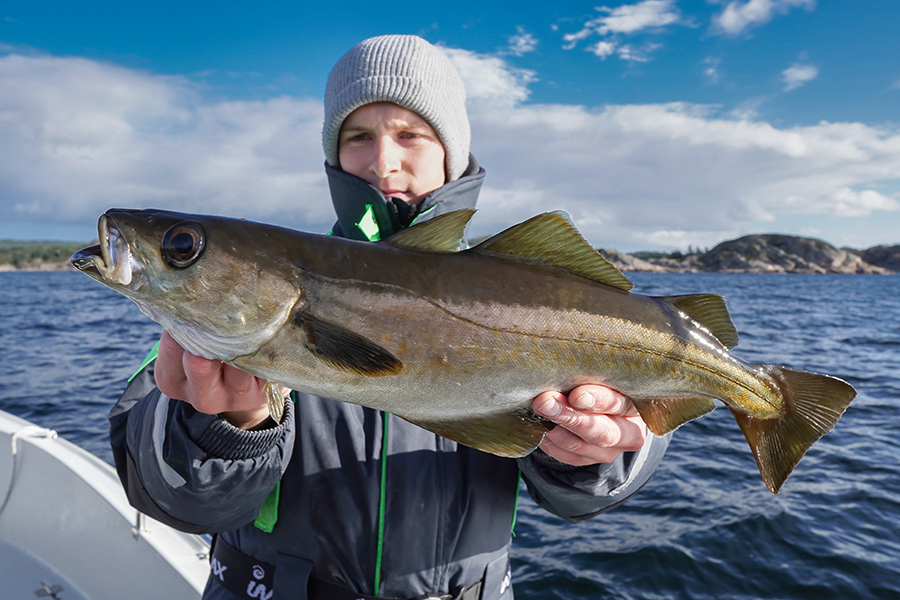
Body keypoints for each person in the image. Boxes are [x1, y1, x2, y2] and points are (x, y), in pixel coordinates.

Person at [109, 35, 670, 600]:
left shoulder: (538, 293)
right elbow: (169, 496)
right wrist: (224, 431)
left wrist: (590, 452)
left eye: (411, 135)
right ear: (334, 155)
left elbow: (588, 495)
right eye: (358, 137)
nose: (383, 161)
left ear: (452, 152)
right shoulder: (196, 335)